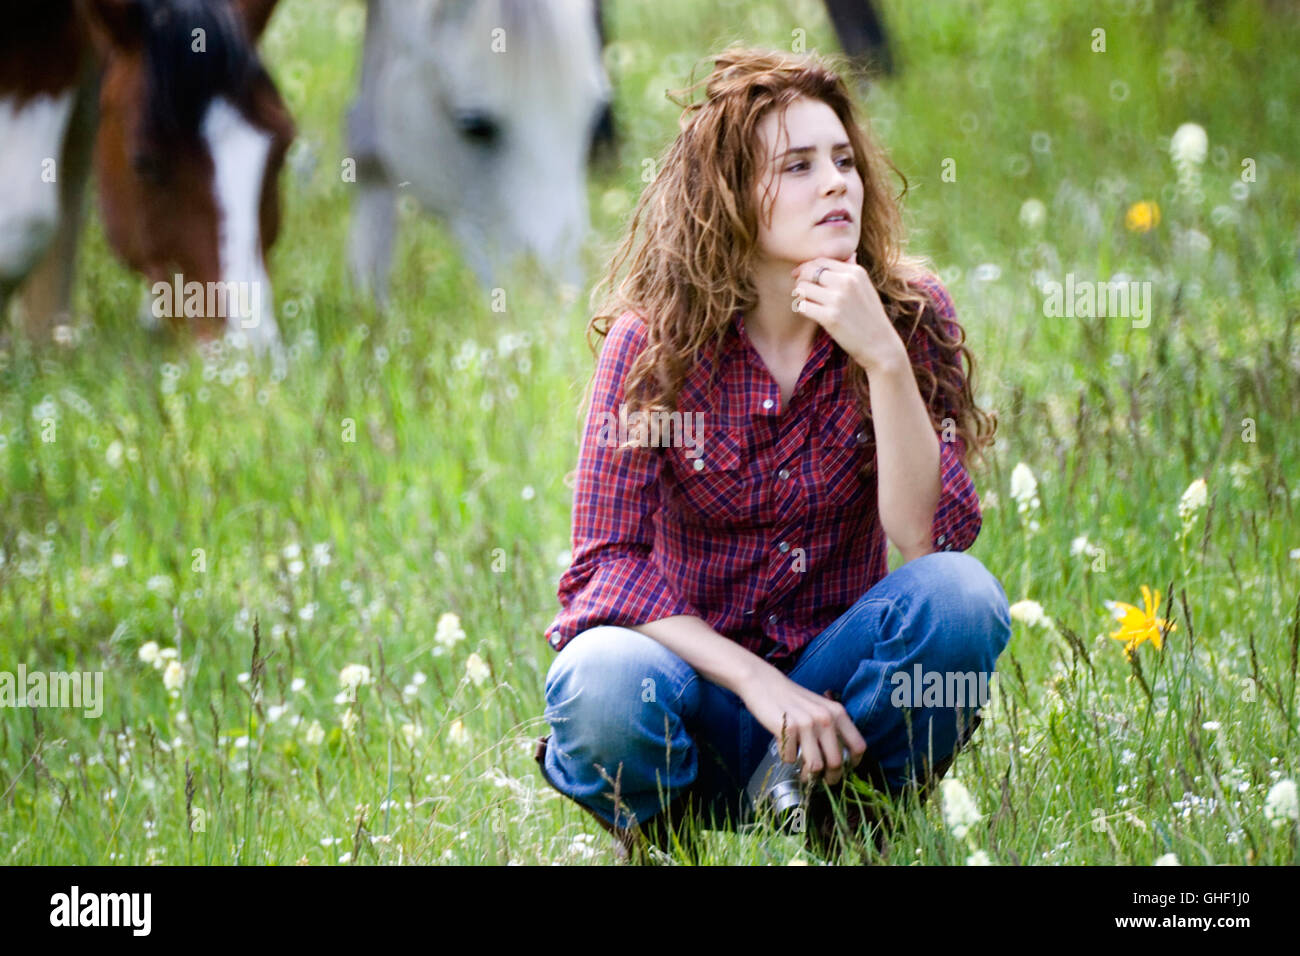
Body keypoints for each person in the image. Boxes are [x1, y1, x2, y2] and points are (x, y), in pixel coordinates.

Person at [534, 44, 1011, 863]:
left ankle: (854, 823)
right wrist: (759, 683)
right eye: (797, 166)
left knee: (961, 599)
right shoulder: (657, 344)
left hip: (842, 702)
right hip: (698, 699)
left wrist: (884, 361)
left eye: (843, 160)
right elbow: (603, 568)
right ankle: (664, 836)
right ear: (729, 196)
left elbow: (923, 538)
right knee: (600, 677)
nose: (838, 182)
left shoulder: (908, 312)